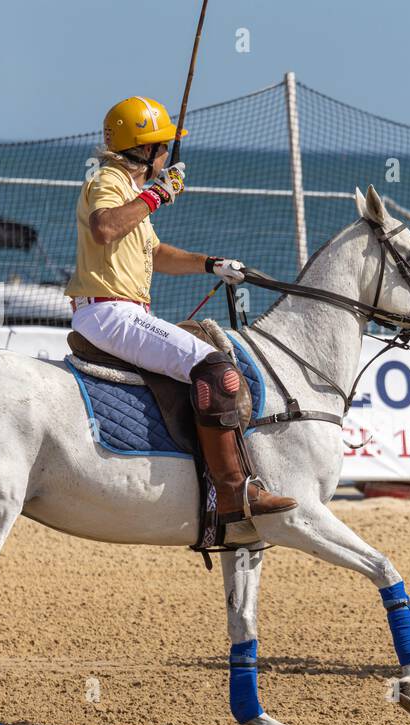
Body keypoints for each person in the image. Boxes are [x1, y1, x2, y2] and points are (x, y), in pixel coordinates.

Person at [65, 96, 296, 520]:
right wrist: (157, 196)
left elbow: (158, 254)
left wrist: (211, 264)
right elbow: (104, 228)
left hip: (121, 311)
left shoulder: (130, 191)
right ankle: (232, 491)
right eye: (163, 146)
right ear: (146, 148)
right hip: (109, 311)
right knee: (217, 370)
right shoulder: (109, 181)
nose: (168, 154)